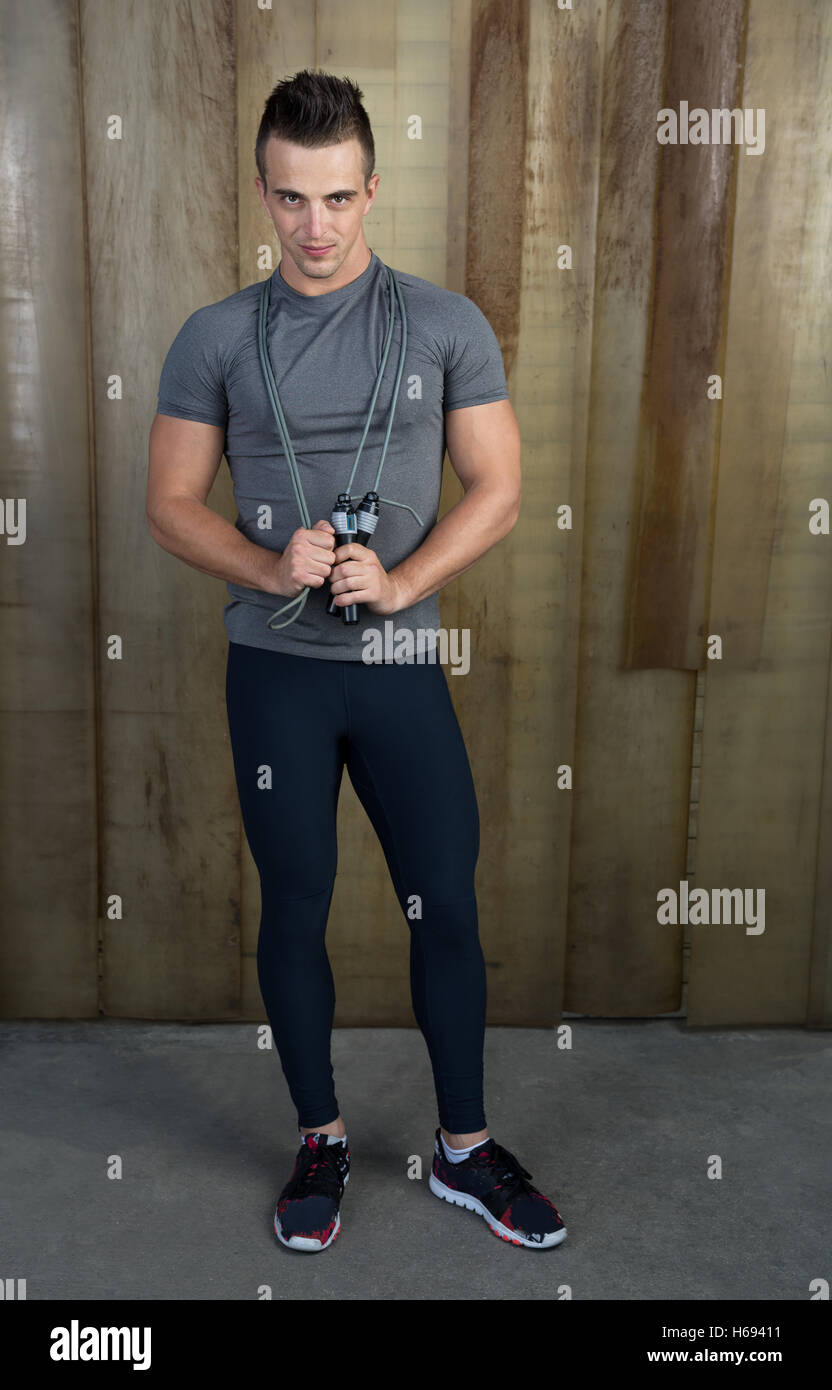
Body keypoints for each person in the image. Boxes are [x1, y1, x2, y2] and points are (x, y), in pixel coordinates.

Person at [147, 68, 566, 1253]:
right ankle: (320, 1138)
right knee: (297, 904)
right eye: (290, 200)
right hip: (274, 669)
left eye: (337, 198)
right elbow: (171, 503)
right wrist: (271, 564)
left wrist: (403, 582)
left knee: (446, 903)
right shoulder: (216, 336)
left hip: (396, 663)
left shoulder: (444, 323)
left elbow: (499, 486)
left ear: (372, 187)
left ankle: (464, 1152)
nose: (315, 227)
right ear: (264, 197)